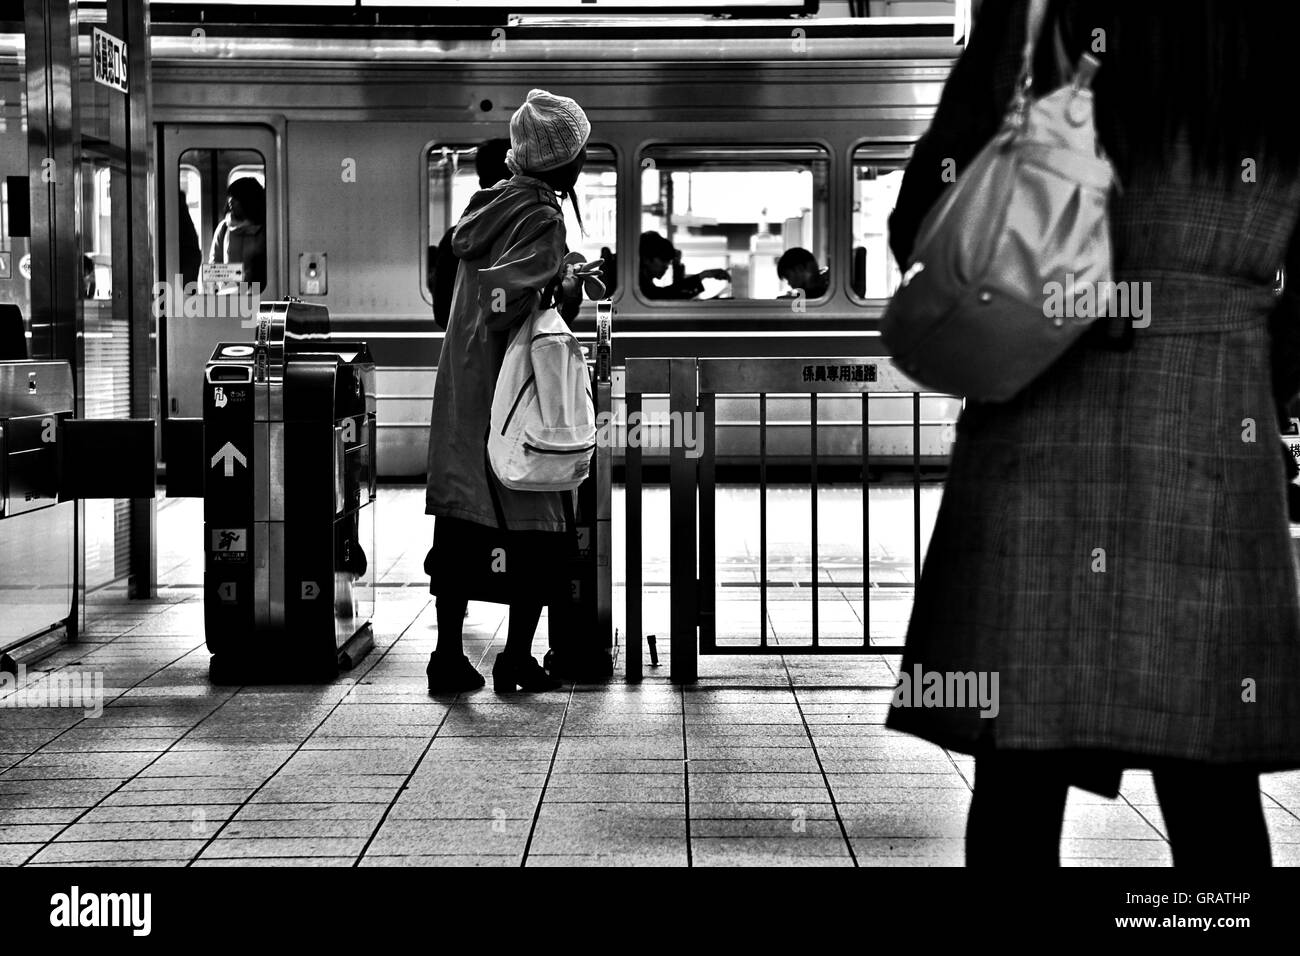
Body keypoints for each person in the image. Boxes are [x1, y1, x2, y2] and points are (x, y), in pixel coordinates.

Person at [885, 0, 1300, 867]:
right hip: (1218, 418)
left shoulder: (1038, 11)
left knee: (1018, 776)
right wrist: (1249, 362)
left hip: (1038, 412)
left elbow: (923, 215)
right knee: (1213, 781)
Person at [424, 89, 594, 695]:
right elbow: (504, 300)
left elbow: (485, 289)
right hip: (510, 385)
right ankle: (516, 658)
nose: (582, 161)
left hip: (466, 384)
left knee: (460, 527)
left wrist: (553, 275)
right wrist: (561, 281)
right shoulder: (543, 216)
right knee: (542, 524)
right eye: (578, 151)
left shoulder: (488, 204)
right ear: (563, 160)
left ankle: (447, 656)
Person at [429, 138, 511, 328]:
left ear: (481, 181)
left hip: (468, 354)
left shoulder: (454, 238)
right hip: (523, 354)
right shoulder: (539, 230)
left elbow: (443, 314)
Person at [208, 177, 267, 289]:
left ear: (249, 200)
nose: (230, 200)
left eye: (236, 196)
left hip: (258, 293)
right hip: (228, 295)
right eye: (230, 195)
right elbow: (213, 267)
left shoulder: (265, 229)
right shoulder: (224, 228)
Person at [638, 230, 729, 300]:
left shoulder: (643, 282)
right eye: (663, 260)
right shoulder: (638, 285)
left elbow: (675, 294)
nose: (666, 266)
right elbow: (665, 296)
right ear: (646, 259)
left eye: (668, 262)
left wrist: (677, 266)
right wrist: (703, 275)